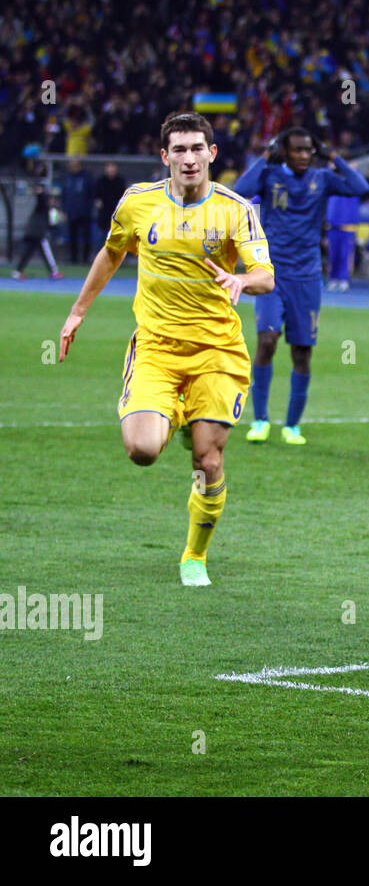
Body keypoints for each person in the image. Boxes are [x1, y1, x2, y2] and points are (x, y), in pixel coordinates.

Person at [57, 111, 275, 586]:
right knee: (141, 450)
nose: (190, 158)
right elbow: (112, 251)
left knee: (208, 460)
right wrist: (78, 310)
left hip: (217, 351)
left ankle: (194, 556)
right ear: (165, 156)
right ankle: (177, 416)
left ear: (212, 154)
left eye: (198, 148)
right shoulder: (138, 202)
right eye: (179, 149)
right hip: (157, 347)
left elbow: (265, 274)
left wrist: (241, 278)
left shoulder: (235, 209)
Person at [233, 127, 369, 445]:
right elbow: (241, 188)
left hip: (307, 276)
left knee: (302, 352)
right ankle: (261, 420)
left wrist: (333, 156)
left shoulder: (322, 178)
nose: (304, 156)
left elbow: (359, 186)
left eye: (309, 150)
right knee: (266, 341)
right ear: (284, 151)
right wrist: (265, 154)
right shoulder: (268, 175)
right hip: (271, 273)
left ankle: (292, 426)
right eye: (297, 150)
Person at [11, 183, 63, 280]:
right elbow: (41, 198)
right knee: (46, 251)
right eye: (51, 199)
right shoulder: (42, 206)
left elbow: (51, 224)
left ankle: (17, 272)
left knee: (28, 253)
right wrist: (40, 192)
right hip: (37, 233)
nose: (53, 201)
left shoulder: (49, 210)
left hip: (32, 232)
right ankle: (54, 272)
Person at [60, 159, 95, 264]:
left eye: (75, 165)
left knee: (86, 237)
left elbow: (91, 194)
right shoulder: (68, 179)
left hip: (84, 212)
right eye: (71, 166)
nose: (73, 168)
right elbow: (64, 195)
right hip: (71, 212)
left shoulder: (86, 178)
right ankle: (73, 258)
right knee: (72, 237)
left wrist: (89, 207)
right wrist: (65, 209)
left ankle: (85, 258)